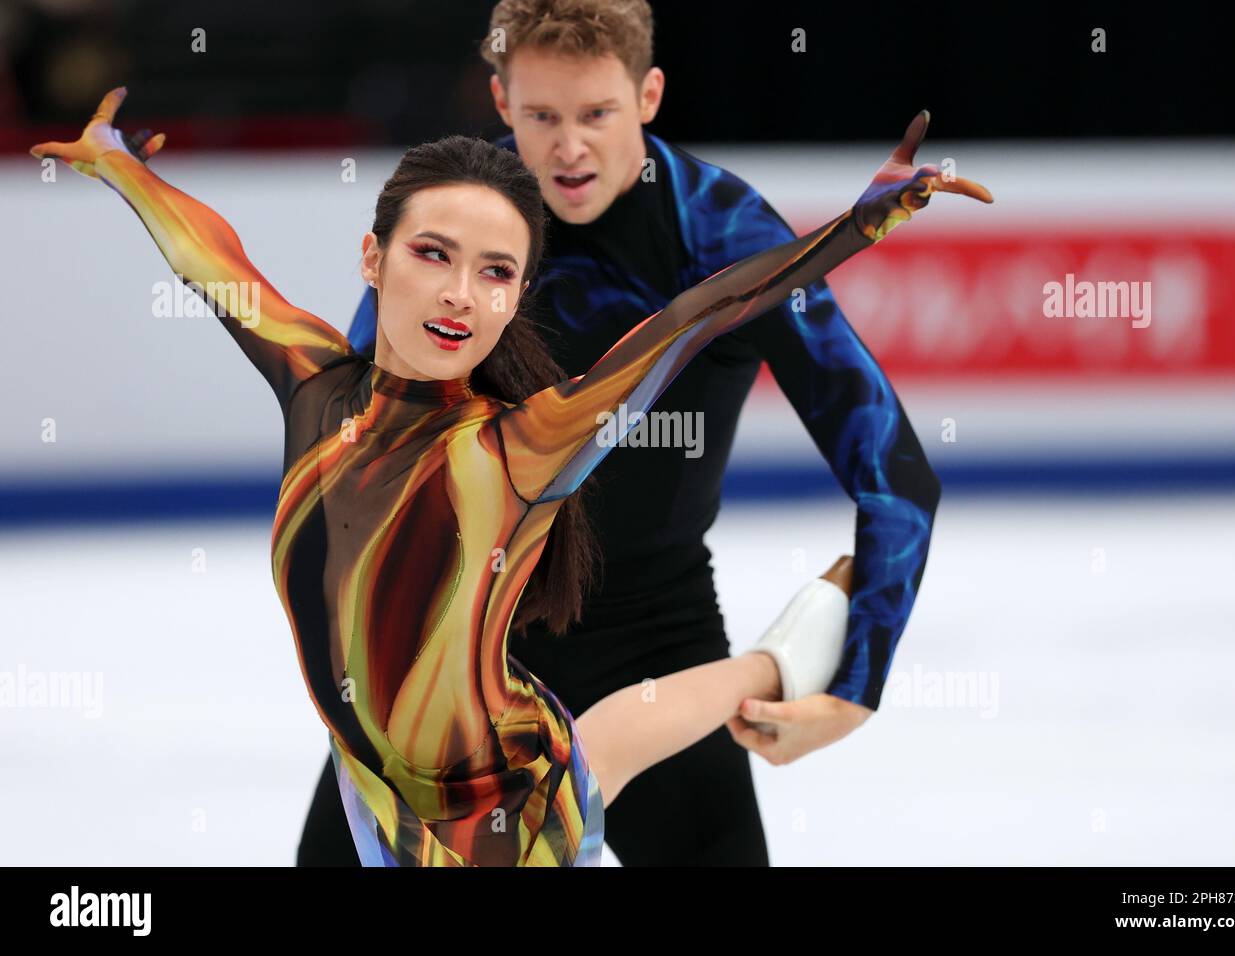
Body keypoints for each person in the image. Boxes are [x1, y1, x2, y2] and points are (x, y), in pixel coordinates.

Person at [31, 87, 990, 867]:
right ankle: (773, 658)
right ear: (374, 257)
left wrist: (858, 229)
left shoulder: (525, 447)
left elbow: (700, 315)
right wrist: (119, 166)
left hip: (509, 830)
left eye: (495, 272)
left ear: (518, 297)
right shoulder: (316, 385)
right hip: (380, 794)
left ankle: (774, 662)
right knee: (611, 737)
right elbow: (218, 266)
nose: (459, 292)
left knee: (611, 746)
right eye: (433, 255)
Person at [314, 0, 951, 867]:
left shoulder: (720, 232)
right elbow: (351, 448)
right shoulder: (454, 225)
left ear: (648, 95)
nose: (568, 147)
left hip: (656, 640)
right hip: (454, 649)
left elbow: (893, 467)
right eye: (541, 116)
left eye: (596, 115)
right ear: (501, 102)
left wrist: (855, 688)